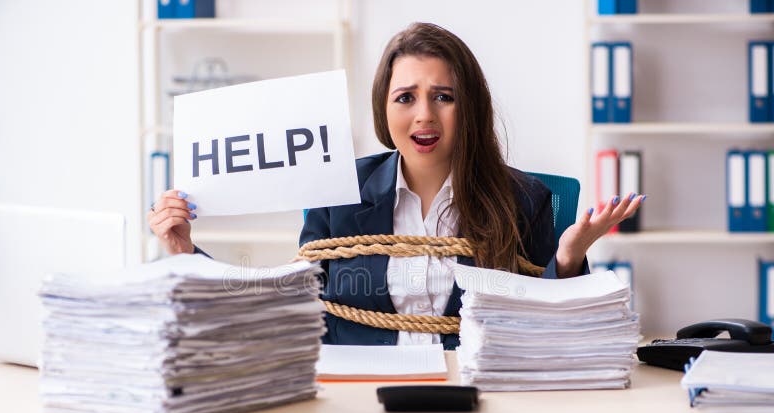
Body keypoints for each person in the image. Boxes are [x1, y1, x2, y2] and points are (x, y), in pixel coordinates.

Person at [148, 22, 643, 351]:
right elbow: (288, 305)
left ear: (468, 105)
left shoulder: (523, 200)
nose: (424, 114)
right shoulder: (336, 190)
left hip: (477, 407)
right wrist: (188, 252)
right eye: (405, 96)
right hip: (358, 409)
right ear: (384, 109)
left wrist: (568, 260)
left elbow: (551, 333)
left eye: (443, 96)